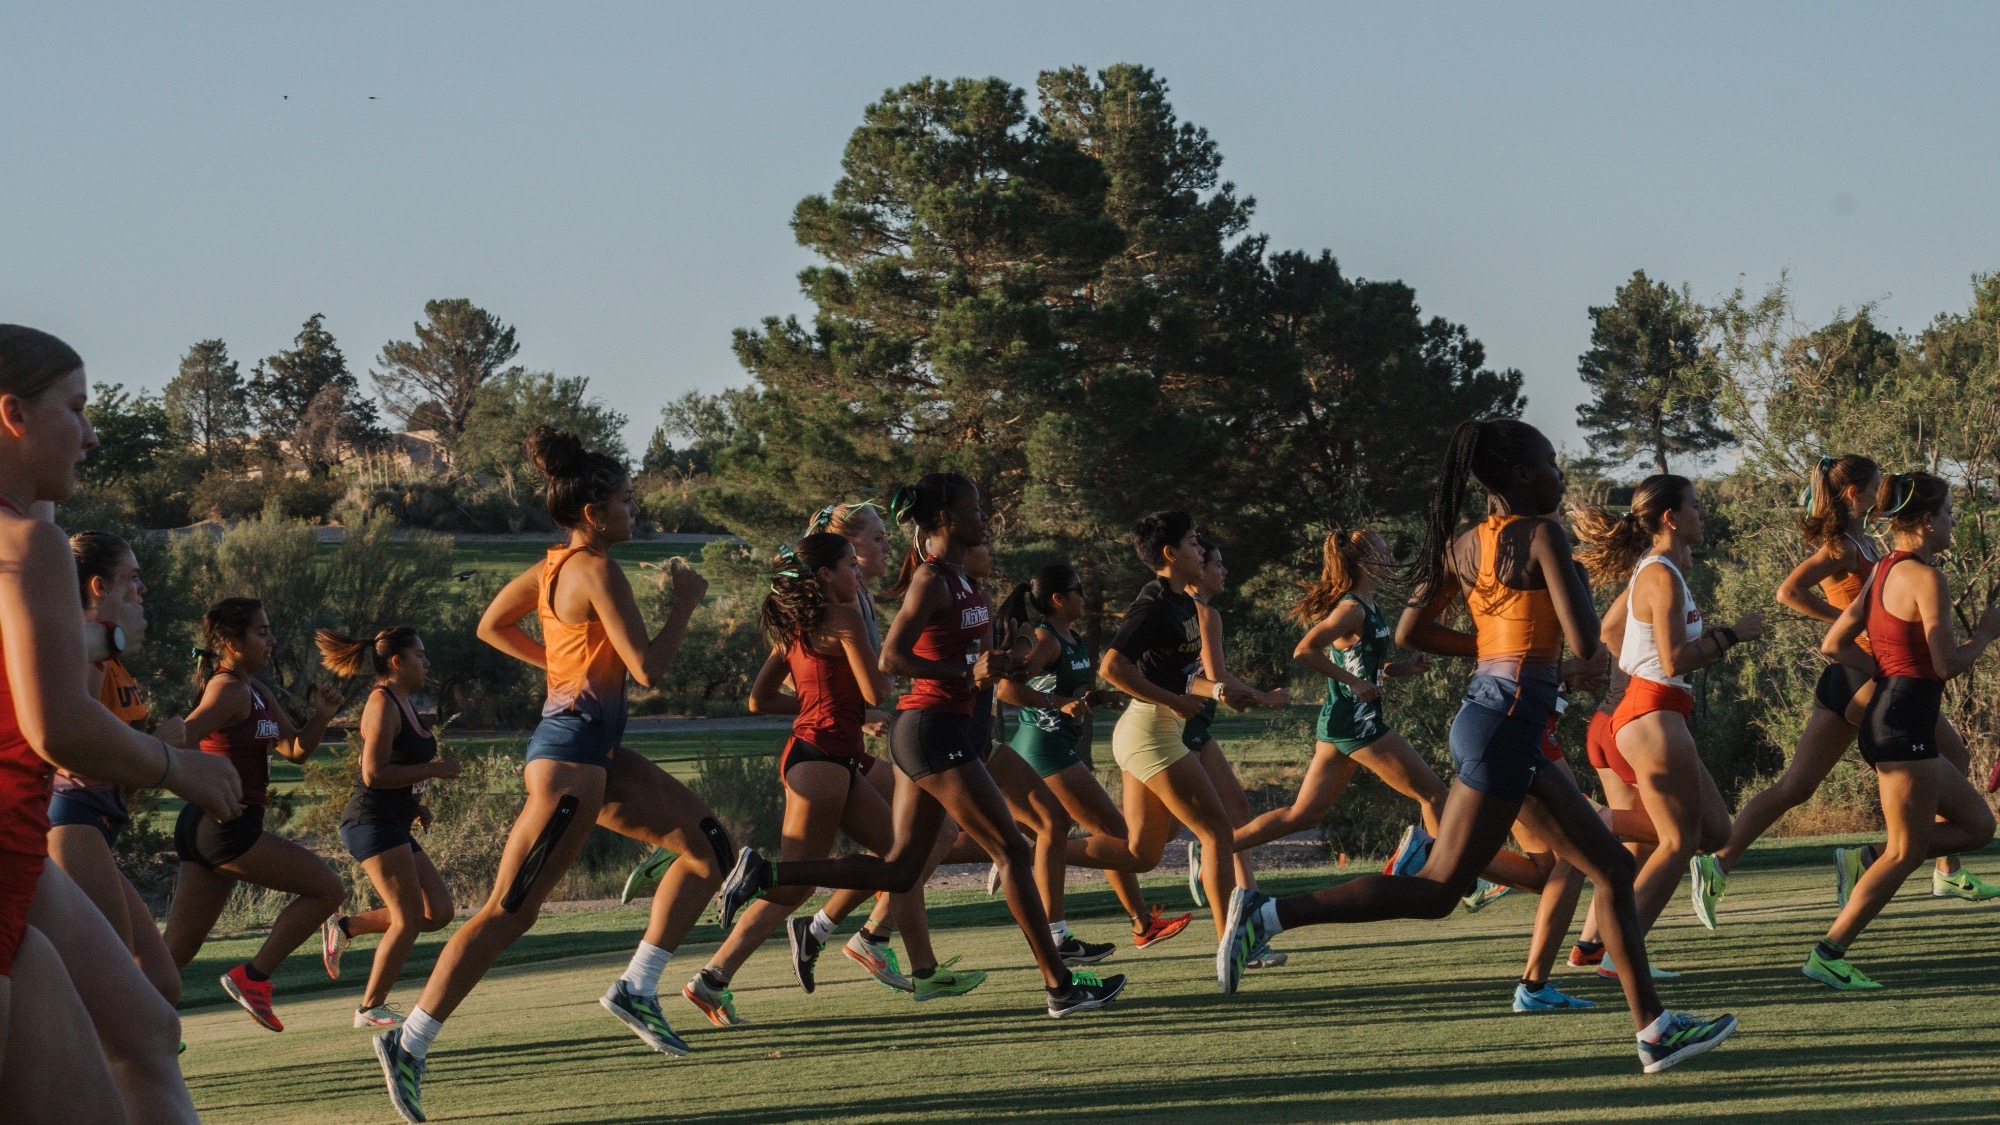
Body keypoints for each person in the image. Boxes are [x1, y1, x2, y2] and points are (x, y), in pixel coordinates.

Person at [1227, 418, 1738, 1074]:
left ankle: (1655, 1029)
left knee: (1608, 866)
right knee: (1441, 888)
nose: (1559, 473)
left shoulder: (1465, 542)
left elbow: (1415, 630)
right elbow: (1584, 644)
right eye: (1551, 462)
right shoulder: (1545, 534)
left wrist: (1499, 646)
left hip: (1501, 721)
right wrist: (1560, 626)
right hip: (1507, 727)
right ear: (1521, 475)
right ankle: (1265, 914)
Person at [374, 425, 720, 1124]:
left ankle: (636, 987)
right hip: (569, 766)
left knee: (710, 850)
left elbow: (492, 626)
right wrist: (684, 602)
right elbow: (649, 670)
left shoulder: (554, 566)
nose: (635, 509)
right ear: (593, 513)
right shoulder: (593, 568)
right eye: (625, 500)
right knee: (508, 911)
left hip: (594, 756)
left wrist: (564, 673)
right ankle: (407, 1040)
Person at [716, 473, 1127, 1018]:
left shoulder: (963, 580)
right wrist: (966, 669)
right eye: (974, 508)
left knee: (901, 870)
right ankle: (1060, 986)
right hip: (930, 732)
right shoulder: (931, 579)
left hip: (945, 732)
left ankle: (767, 873)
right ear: (946, 520)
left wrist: (1004, 663)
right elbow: (891, 662)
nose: (985, 519)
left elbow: (972, 668)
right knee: (1013, 849)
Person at [0, 324, 241, 1123]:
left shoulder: (24, 531)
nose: (94, 433)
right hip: (13, 852)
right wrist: (180, 767)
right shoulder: (26, 545)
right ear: (13, 414)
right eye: (77, 408)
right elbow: (57, 726)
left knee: (148, 1024)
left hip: (21, 861)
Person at [1696, 454, 1998, 915]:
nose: (1884, 494)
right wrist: (1853, 623)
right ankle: (1918, 866)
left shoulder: (1866, 545)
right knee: (1942, 756)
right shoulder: (1842, 547)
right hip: (1862, 673)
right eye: (1877, 485)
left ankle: (1719, 863)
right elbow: (1789, 592)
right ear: (1855, 494)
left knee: (1798, 786)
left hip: (1847, 675)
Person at [681, 533, 948, 1023]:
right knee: (796, 884)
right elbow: (879, 685)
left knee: (901, 861)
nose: (858, 574)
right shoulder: (843, 618)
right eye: (850, 565)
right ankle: (725, 946)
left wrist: (831, 709)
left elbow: (760, 700)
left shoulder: (797, 627)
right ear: (825, 576)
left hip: (824, 757)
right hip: (822, 763)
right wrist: (907, 669)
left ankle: (919, 968)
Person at [1806, 471, 1999, 990]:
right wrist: (1984, 634)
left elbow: (1835, 643)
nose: (1955, 521)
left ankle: (1865, 860)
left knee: (1979, 826)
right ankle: (1829, 953)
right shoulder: (1925, 577)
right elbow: (1945, 664)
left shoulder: (1884, 568)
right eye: (1951, 513)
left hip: (1892, 718)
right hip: (1903, 725)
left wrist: (1888, 676)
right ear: (1929, 521)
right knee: (1905, 852)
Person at [1571, 476, 1762, 949]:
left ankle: (1599, 820)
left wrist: (1630, 675)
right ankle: (1622, 955)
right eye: (1695, 507)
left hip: (1648, 709)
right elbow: (1674, 660)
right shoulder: (1659, 573)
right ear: (1670, 518)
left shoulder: (1656, 570)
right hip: (1652, 712)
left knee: (1716, 830)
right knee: (1677, 843)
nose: (1703, 514)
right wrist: (1733, 636)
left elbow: (1612, 630)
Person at [1076, 510, 1256, 993]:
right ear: (1169, 554)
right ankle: (1229, 945)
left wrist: (1221, 693)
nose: (1202, 551)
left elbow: (1179, 673)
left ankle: (1042, 856)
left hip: (1155, 731)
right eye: (1194, 543)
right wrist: (1176, 701)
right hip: (1150, 732)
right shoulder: (1155, 602)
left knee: (1142, 854)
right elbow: (1112, 666)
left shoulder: (1181, 605)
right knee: (1218, 830)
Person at [164, 597, 345, 1032]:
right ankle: (254, 978)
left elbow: (295, 750)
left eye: (269, 631)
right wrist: (207, 789)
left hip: (212, 826)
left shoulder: (255, 690)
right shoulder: (227, 689)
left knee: (172, 955)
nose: (271, 640)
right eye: (261, 632)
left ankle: (111, 1019)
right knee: (327, 889)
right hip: (222, 826)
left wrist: (320, 718)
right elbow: (176, 743)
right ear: (230, 641)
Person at [996, 564, 1192, 950]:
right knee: (1114, 834)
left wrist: (1099, 699)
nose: (1084, 595)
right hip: (1041, 746)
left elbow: (1064, 692)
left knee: (1108, 834)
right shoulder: (1045, 639)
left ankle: (1139, 922)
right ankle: (1133, 922)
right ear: (1058, 599)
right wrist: (1058, 703)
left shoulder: (1073, 639)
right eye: (1079, 589)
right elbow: (1006, 690)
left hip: (1057, 746)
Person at [45, 531, 181, 1003]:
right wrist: (164, 756)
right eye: (133, 578)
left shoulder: (107, 656)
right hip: (71, 818)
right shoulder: (80, 651)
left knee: (160, 981)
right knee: (117, 986)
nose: (141, 590)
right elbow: (70, 742)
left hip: (100, 819)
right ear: (100, 586)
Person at [316, 626, 458, 1028]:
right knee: (409, 918)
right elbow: (374, 774)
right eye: (420, 655)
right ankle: (369, 1008)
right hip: (371, 823)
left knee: (439, 911)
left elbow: (396, 767)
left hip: (392, 820)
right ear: (397, 662)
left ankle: (346, 926)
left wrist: (414, 805)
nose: (427, 663)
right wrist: (433, 769)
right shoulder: (382, 703)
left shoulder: (403, 701)